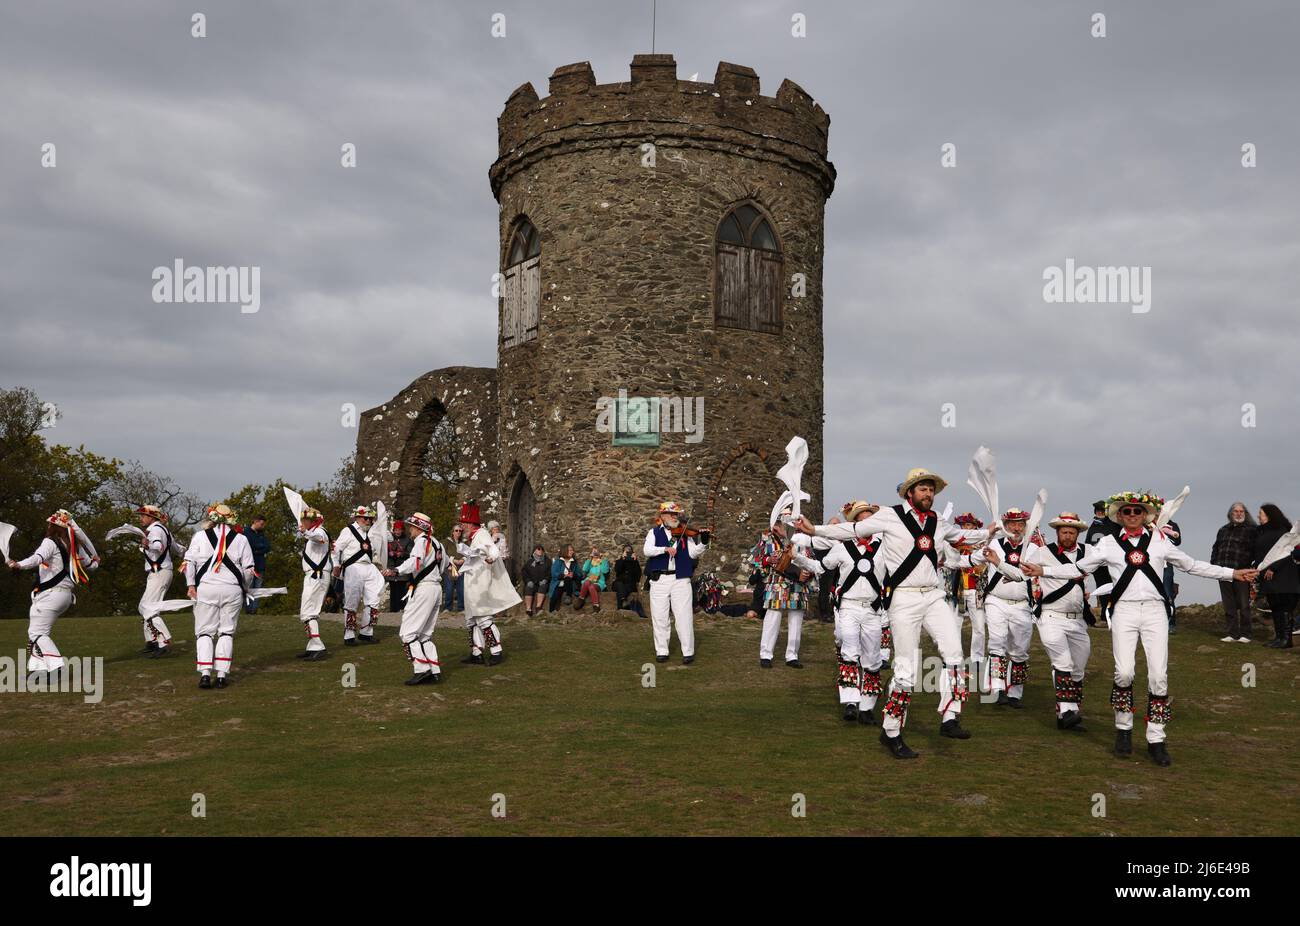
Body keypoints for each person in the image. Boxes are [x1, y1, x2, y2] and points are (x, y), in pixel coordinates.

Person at [1021, 490, 1255, 767]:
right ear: (1119, 516)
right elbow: (1078, 569)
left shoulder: (1160, 541)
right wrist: (1044, 571)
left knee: (1158, 676)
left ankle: (1156, 738)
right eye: (1127, 511)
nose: (1132, 515)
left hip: (1155, 611)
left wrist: (1231, 573)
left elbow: (1191, 566)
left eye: (1138, 511)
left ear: (1146, 515)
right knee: (1124, 672)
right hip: (1124, 611)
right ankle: (1124, 729)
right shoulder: (1107, 544)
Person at [796, 468, 992, 759]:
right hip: (904, 598)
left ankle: (950, 718)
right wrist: (815, 531)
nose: (928, 493)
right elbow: (852, 531)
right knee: (906, 670)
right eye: (922, 488)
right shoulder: (890, 515)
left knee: (954, 656)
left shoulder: (938, 522)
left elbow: (961, 535)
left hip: (934, 595)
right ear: (910, 492)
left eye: (931, 489)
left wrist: (990, 531)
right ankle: (891, 732)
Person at [809, 500, 886, 724]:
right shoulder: (842, 548)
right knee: (849, 652)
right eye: (861, 519)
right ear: (853, 523)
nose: (866, 522)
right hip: (849, 607)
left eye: (869, 518)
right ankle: (851, 703)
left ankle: (867, 707)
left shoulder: (885, 547)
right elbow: (820, 567)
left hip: (873, 609)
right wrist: (797, 559)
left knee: (872, 658)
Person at [7, 509, 98, 677]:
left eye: (50, 523)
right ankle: (39, 670)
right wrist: (96, 561)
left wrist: (18, 564)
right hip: (65, 596)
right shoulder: (75, 545)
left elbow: (37, 558)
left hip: (50, 595)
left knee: (37, 633)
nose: (48, 525)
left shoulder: (50, 542)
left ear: (55, 526)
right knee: (39, 632)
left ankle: (57, 669)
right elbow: (91, 566)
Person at [1023, 512, 1092, 730]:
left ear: (1078, 533)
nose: (1068, 535)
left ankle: (1067, 717)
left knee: (1078, 669)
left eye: (1072, 532)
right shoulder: (1043, 553)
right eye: (1064, 532)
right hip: (1051, 616)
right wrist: (1001, 566)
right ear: (1057, 532)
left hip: (1078, 620)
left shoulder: (1089, 553)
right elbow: (1020, 573)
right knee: (1062, 663)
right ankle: (1067, 709)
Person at [184, 503, 255, 689]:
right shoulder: (241, 539)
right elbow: (249, 570)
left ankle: (205, 675)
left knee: (205, 631)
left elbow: (189, 562)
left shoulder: (199, 536)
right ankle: (222, 676)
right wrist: (245, 588)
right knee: (226, 631)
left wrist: (191, 584)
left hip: (206, 588)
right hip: (232, 589)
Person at [974, 507, 1035, 707]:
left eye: (1020, 524)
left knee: (1020, 649)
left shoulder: (1033, 549)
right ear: (1005, 526)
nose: (1016, 528)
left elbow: (1026, 575)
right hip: (996, 600)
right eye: (1012, 524)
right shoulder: (995, 544)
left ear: (1026, 527)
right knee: (997, 642)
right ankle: (997, 688)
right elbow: (975, 553)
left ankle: (1015, 693)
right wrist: (987, 534)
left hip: (1022, 604)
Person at [643, 502, 708, 664]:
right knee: (659, 616)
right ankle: (662, 651)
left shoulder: (685, 533)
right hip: (660, 580)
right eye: (672, 514)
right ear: (663, 516)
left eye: (676, 514)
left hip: (681, 579)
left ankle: (688, 651)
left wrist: (704, 543)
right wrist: (665, 549)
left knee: (684, 616)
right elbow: (647, 550)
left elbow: (693, 553)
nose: (675, 517)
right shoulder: (654, 532)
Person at [750, 508, 815, 669]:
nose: (784, 523)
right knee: (772, 618)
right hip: (776, 582)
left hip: (798, 585)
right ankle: (766, 654)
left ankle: (792, 655)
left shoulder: (802, 539)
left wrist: (809, 574)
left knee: (796, 620)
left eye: (787, 520)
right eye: (782, 520)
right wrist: (766, 559)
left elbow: (812, 559)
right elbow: (755, 560)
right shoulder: (767, 539)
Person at [385, 512, 445, 684]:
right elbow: (446, 564)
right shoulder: (437, 543)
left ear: (418, 528)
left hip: (424, 589)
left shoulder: (421, 542)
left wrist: (395, 570)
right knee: (425, 635)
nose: (409, 529)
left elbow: (414, 563)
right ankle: (434, 670)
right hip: (436, 589)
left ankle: (422, 668)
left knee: (408, 633)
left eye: (412, 526)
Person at [458, 502, 520, 666]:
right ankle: (476, 652)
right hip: (472, 582)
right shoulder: (474, 537)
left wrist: (492, 558)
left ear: (471, 523)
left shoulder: (482, 534)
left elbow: (493, 549)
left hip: (481, 583)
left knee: (483, 616)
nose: (462, 526)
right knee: (471, 619)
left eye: (464, 523)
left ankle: (496, 651)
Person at [332, 505, 385, 646]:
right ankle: (349, 635)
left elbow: (384, 540)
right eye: (366, 518)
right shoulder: (348, 531)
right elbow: (336, 549)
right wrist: (336, 565)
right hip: (353, 568)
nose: (369, 521)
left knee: (374, 600)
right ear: (358, 517)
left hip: (369, 567)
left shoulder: (371, 533)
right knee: (352, 601)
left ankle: (366, 633)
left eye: (371, 519)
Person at [1211, 502, 1258, 642]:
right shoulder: (1223, 530)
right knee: (1228, 605)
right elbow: (1216, 548)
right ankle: (1232, 634)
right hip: (1223, 572)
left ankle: (1245, 634)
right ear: (1231, 514)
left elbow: (1255, 550)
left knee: (1244, 605)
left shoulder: (1252, 530)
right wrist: (1214, 565)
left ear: (1245, 513)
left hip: (1242, 572)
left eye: (1241, 511)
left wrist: (1250, 567)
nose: (1238, 514)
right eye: (1236, 511)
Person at [950, 512, 988, 686]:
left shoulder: (982, 545)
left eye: (970, 526)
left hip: (975, 591)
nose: (966, 528)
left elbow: (982, 567)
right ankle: (955, 657)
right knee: (954, 625)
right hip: (958, 590)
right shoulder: (954, 544)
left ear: (975, 528)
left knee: (979, 626)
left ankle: (977, 659)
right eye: (964, 526)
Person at [1253, 504, 1298, 649]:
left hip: (1283, 576)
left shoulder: (1282, 531)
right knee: (1276, 607)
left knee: (1284, 608)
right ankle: (1279, 638)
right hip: (1268, 578)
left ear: (1269, 515)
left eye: (1261, 513)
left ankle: (1286, 639)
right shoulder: (1262, 532)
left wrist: (1273, 567)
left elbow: (1287, 552)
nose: (1258, 516)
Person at [134, 504, 175, 658]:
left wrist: (148, 544)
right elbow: (176, 547)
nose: (140, 519)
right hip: (161, 572)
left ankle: (162, 641)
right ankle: (151, 641)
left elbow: (157, 546)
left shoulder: (155, 530)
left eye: (143, 516)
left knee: (148, 608)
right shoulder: (164, 530)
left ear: (152, 517)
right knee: (143, 607)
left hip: (159, 572)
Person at [295, 506, 332, 661]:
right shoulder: (313, 532)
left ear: (314, 520)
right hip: (313, 576)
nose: (304, 522)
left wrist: (305, 532)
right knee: (307, 611)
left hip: (317, 576)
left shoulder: (320, 531)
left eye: (307, 520)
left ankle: (318, 647)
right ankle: (312, 646)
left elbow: (319, 538)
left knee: (309, 611)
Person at [1085, 500, 1117, 622]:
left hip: (1112, 563)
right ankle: (1105, 612)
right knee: (1102, 589)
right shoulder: (1093, 526)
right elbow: (1088, 544)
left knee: (1114, 587)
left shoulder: (1114, 525)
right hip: (1099, 565)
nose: (1100, 513)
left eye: (1102, 511)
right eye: (1098, 511)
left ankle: (1112, 611)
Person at [242, 515, 271, 614]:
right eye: (261, 524)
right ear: (255, 521)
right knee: (248, 588)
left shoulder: (262, 534)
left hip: (260, 565)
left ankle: (254, 611)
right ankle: (248, 610)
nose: (263, 526)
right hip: (249, 566)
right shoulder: (245, 533)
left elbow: (267, 547)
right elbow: (249, 546)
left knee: (258, 589)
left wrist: (257, 549)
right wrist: (259, 548)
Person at [1161, 518, 1182, 632]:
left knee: (1167, 592)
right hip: (1150, 563)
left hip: (1167, 563)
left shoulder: (1172, 525)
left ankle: (1171, 623)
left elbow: (1177, 541)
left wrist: (1165, 533)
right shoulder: (1147, 522)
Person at [612, 545, 645, 618]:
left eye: (629, 551)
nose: (628, 552)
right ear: (623, 552)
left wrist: (635, 561)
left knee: (624, 587)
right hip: (619, 582)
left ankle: (621, 605)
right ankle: (624, 601)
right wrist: (622, 559)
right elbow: (617, 570)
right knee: (620, 584)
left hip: (630, 583)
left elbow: (638, 575)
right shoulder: (619, 561)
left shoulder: (634, 562)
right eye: (626, 551)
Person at [387, 519, 412, 611]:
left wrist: (401, 554)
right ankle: (393, 610)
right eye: (396, 530)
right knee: (393, 590)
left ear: (403, 530)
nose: (397, 532)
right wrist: (389, 553)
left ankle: (401, 609)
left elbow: (410, 554)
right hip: (391, 567)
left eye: (399, 529)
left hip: (402, 568)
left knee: (402, 590)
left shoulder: (408, 540)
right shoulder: (389, 539)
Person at [576, 546, 610, 611]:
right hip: (589, 580)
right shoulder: (590, 562)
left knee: (592, 587)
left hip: (599, 583)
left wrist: (602, 560)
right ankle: (581, 599)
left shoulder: (603, 562)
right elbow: (584, 569)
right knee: (587, 582)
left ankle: (596, 605)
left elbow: (605, 571)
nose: (595, 554)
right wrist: (590, 559)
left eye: (597, 552)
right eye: (594, 552)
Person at [520, 544, 550, 616]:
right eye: (538, 549)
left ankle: (538, 607)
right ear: (534, 551)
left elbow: (549, 573)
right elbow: (524, 572)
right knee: (528, 588)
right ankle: (528, 609)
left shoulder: (547, 561)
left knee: (543, 587)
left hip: (542, 583)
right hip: (532, 582)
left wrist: (545, 580)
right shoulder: (530, 562)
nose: (540, 551)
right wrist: (528, 581)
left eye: (541, 549)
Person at [548, 545, 580, 611]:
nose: (572, 552)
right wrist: (563, 576)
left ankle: (568, 596)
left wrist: (573, 575)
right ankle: (551, 612)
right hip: (558, 583)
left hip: (569, 585)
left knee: (568, 579)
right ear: (565, 551)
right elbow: (554, 573)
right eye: (570, 550)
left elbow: (579, 574)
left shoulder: (574, 562)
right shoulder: (558, 561)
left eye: (572, 550)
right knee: (554, 597)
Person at [443, 524, 466, 612]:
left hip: (461, 568)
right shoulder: (447, 541)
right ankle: (447, 608)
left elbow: (468, 553)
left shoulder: (463, 543)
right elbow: (443, 554)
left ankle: (461, 608)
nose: (458, 532)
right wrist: (454, 560)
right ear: (452, 532)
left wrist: (463, 559)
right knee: (449, 588)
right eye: (456, 530)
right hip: (450, 567)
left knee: (461, 588)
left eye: (460, 531)